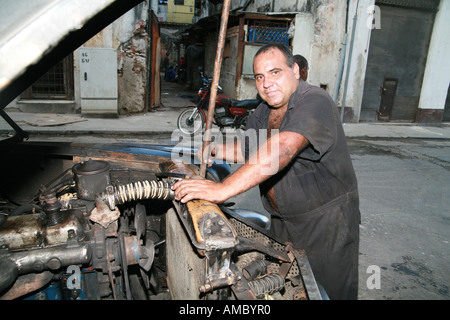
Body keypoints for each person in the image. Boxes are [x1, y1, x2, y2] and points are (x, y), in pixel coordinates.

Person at [172, 44, 360, 300]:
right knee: (287, 287)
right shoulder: (264, 110)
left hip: (325, 224)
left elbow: (282, 149)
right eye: (259, 76)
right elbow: (249, 149)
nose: (266, 83)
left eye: (275, 72)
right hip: (282, 220)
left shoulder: (315, 101)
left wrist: (221, 189)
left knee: (326, 292)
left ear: (294, 70)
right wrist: (213, 150)